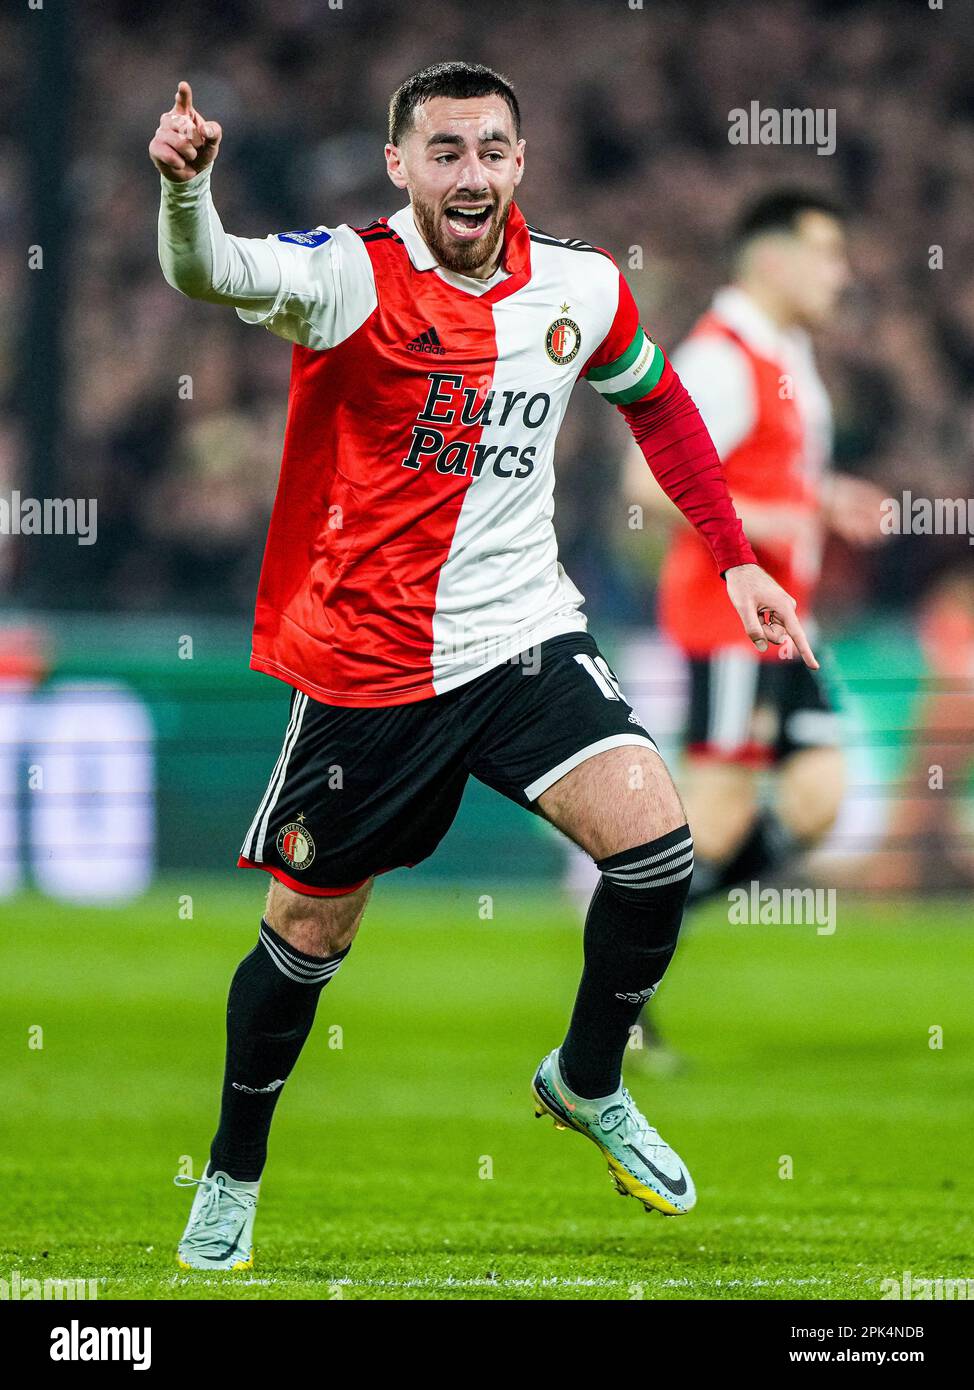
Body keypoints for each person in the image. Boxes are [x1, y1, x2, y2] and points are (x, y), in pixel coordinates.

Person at [150, 63, 814, 1270]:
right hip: (371, 668)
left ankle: (587, 1078)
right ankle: (231, 1176)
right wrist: (189, 194)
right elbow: (211, 270)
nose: (471, 173)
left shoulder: (578, 285)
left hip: (523, 639)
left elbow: (658, 406)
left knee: (657, 851)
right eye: (444, 151)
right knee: (306, 937)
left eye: (491, 150)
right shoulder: (349, 274)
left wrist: (733, 560)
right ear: (400, 166)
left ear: (520, 162)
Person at [622, 190, 884, 1064]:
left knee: (818, 799)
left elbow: (766, 477)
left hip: (782, 623)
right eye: (826, 253)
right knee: (720, 817)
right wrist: (773, 519)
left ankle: (636, 957)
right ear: (771, 259)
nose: (840, 274)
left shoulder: (785, 353)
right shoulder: (721, 355)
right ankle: (618, 977)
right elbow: (644, 483)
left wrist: (820, 501)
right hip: (727, 619)